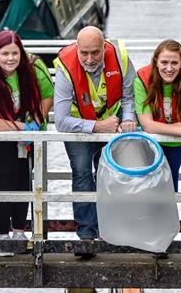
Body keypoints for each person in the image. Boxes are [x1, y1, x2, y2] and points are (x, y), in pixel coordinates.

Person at [53, 26, 136, 259]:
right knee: (82, 174)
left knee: (111, 175)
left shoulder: (120, 57)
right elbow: (60, 121)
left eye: (95, 53)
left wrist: (128, 119)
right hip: (79, 126)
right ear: (77, 49)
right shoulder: (65, 68)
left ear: (104, 47)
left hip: (112, 122)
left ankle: (111, 232)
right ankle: (87, 235)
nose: (90, 59)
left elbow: (129, 97)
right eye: (84, 53)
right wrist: (98, 127)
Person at [0, 30, 54, 257]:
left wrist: (36, 122)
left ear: (21, 53)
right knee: (4, 175)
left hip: (26, 129)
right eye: (4, 54)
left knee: (22, 176)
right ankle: (2, 236)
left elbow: (47, 96)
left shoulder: (34, 67)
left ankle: (20, 231)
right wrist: (21, 128)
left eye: (14, 53)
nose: (10, 58)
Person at [134, 39, 181, 191]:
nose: (169, 68)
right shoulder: (142, 80)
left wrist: (178, 130)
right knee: (148, 184)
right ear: (156, 62)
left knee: (171, 182)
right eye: (164, 62)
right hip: (152, 140)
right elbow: (147, 124)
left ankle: (170, 215)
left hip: (177, 142)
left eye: (174, 63)